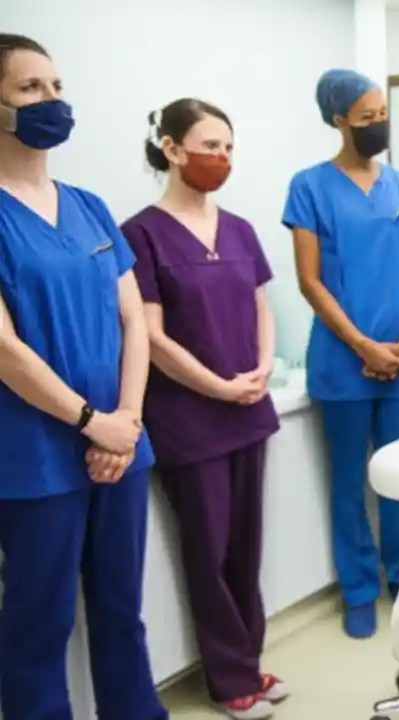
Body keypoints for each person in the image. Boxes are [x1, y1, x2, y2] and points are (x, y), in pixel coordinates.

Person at [0, 34, 167, 719]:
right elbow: (4, 348)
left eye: (57, 86)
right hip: (36, 457)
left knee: (121, 610)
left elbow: (134, 320)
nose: (51, 100)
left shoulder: (90, 205)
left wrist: (125, 421)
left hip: (121, 443)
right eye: (29, 88)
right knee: (38, 625)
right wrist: (92, 423)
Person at [121, 98, 287, 720]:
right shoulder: (141, 233)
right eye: (209, 145)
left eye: (228, 147)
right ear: (171, 149)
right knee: (210, 553)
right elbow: (151, 336)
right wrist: (218, 387)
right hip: (190, 421)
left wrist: (261, 368)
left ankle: (249, 660)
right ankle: (229, 679)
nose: (222, 157)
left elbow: (262, 308)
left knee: (246, 549)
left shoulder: (238, 229)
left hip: (248, 408)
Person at [284, 68, 399, 639]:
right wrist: (364, 345)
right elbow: (309, 281)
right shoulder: (309, 187)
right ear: (339, 119)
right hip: (342, 361)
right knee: (348, 483)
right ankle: (359, 590)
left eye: (383, 114)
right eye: (367, 117)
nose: (379, 124)